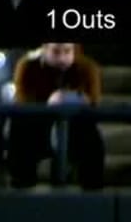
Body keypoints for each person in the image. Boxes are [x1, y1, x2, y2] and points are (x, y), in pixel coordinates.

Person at [8, 42, 106, 190]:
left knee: (92, 140)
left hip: (75, 125)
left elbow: (93, 101)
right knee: (20, 128)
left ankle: (93, 191)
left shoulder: (87, 67)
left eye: (67, 51)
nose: (62, 58)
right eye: (56, 52)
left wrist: (72, 99)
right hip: (36, 125)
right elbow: (23, 99)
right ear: (44, 49)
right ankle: (21, 187)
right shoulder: (27, 65)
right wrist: (48, 104)